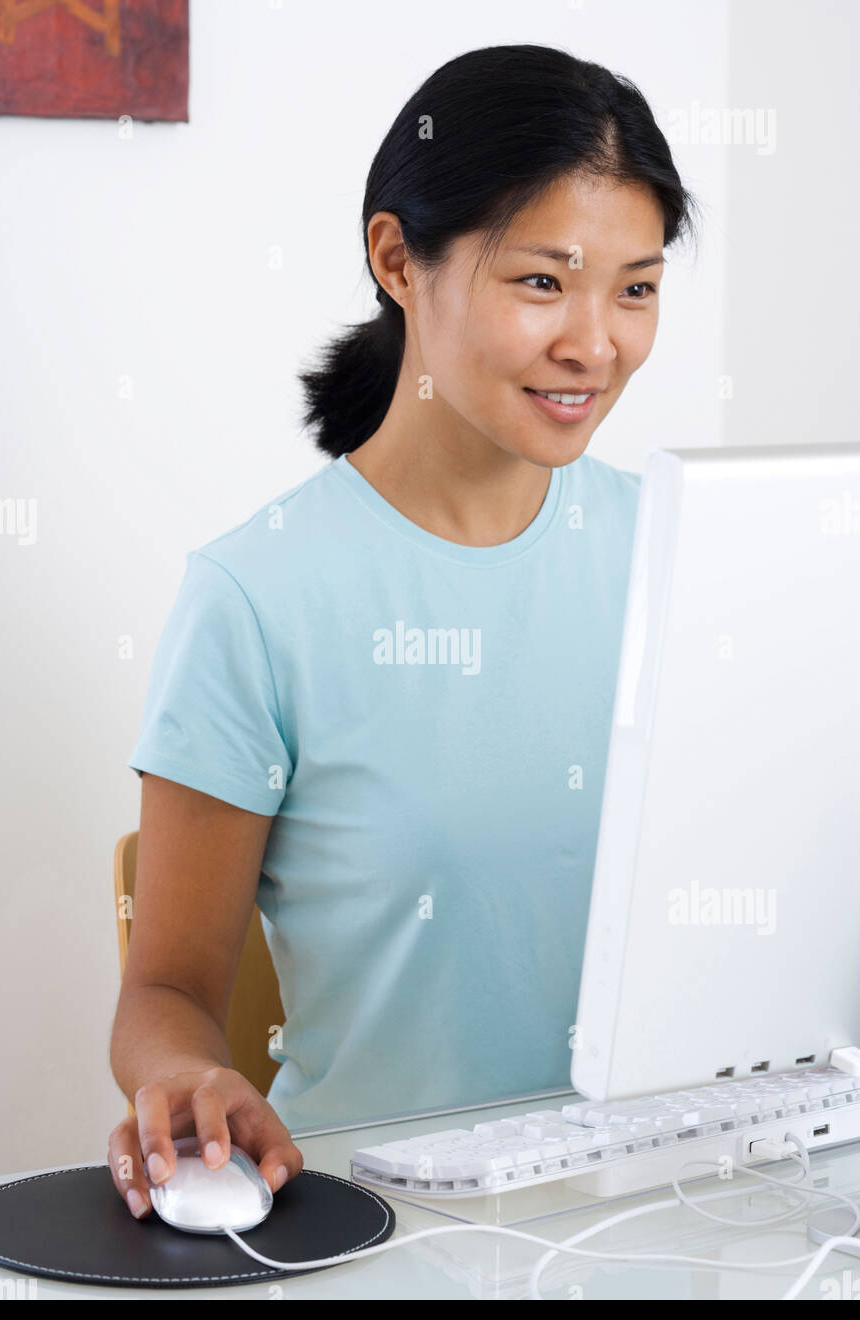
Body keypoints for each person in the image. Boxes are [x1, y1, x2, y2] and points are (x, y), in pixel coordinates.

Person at [107, 42, 700, 1219]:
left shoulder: (680, 554)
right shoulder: (257, 596)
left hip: (674, 1206)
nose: (596, 341)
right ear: (396, 260)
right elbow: (166, 988)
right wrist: (186, 1074)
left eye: (634, 287)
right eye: (543, 282)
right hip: (387, 1226)